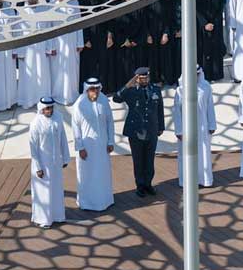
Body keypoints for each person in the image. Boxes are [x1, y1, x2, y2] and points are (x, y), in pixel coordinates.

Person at [113, 66, 165, 197]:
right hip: (136, 131)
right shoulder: (131, 91)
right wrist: (128, 84)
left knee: (149, 159)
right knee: (138, 160)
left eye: (146, 77)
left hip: (151, 130)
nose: (144, 80)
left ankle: (148, 184)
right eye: (141, 78)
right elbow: (116, 98)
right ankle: (140, 185)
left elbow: (160, 110)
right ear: (137, 78)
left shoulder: (156, 90)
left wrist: (160, 127)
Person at [72, 77, 114, 211]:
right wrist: (80, 147)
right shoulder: (79, 104)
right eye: (92, 89)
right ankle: (87, 203)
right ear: (86, 90)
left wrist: (111, 141)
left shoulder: (104, 101)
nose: (95, 91)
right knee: (87, 175)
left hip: (102, 146)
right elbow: (75, 127)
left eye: (97, 88)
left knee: (102, 174)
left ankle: (104, 201)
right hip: (87, 147)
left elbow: (110, 122)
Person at [173, 65, 217, 187]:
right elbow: (177, 111)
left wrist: (212, 124)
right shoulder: (180, 90)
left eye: (197, 74)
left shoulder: (206, 87)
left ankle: (204, 180)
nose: (195, 77)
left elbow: (210, 106)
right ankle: (187, 181)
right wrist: (179, 130)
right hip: (186, 129)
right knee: (186, 155)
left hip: (203, 126)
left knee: (203, 153)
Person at [29, 97, 69, 228]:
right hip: (43, 163)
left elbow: (63, 138)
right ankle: (43, 219)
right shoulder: (36, 123)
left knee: (56, 189)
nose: (49, 110)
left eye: (51, 107)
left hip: (56, 161)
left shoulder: (58, 117)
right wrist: (37, 167)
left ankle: (58, 216)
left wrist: (65, 158)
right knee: (43, 191)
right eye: (46, 108)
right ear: (41, 109)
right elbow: (33, 148)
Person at [16, 0, 51, 108]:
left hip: (42, 46)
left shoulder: (44, 9)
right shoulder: (22, 12)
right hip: (27, 49)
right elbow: (17, 34)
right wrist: (19, 52)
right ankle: (28, 100)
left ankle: (41, 98)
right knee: (28, 75)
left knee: (42, 73)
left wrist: (49, 48)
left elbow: (49, 31)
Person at [196, 0, 226, 81]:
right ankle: (206, 75)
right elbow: (197, 8)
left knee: (216, 48)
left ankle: (216, 74)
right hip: (203, 24)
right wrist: (205, 23)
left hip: (216, 23)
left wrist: (214, 22)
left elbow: (220, 6)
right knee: (204, 50)